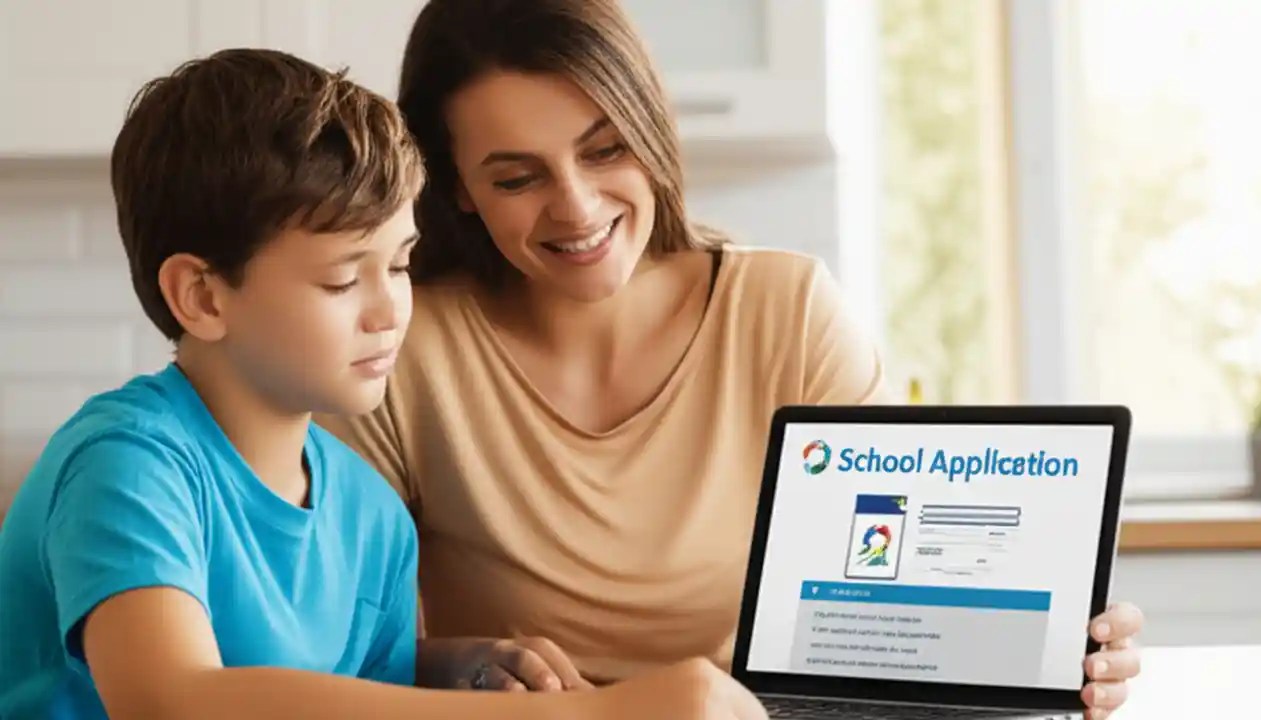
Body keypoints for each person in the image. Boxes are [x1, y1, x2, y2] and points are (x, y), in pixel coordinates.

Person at [316, 0, 1144, 717]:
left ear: (648, 127)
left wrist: (1051, 652)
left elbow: (903, 598)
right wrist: (458, 664)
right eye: (516, 179)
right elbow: (331, 649)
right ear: (457, 187)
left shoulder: (787, 313)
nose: (576, 207)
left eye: (605, 150)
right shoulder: (399, 348)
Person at [0, 48, 767, 720]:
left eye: (399, 265)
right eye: (342, 281)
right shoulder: (129, 465)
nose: (390, 310)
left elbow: (341, 699)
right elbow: (173, 701)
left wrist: (449, 666)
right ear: (202, 296)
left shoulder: (372, 518)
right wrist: (592, 713)